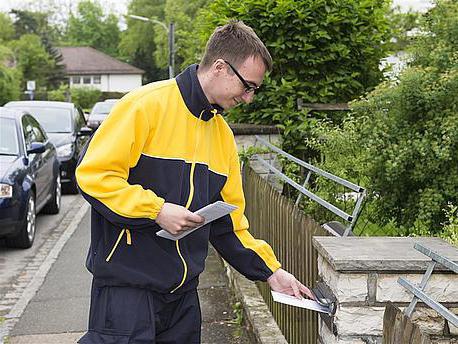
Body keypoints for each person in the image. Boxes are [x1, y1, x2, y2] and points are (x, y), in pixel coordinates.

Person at [76, 20, 313, 344]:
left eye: (254, 89)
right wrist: (156, 210)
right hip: (127, 290)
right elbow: (92, 176)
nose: (249, 98)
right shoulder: (144, 106)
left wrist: (271, 272)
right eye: (248, 86)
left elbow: (230, 225)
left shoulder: (223, 137)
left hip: (183, 298)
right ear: (220, 67)